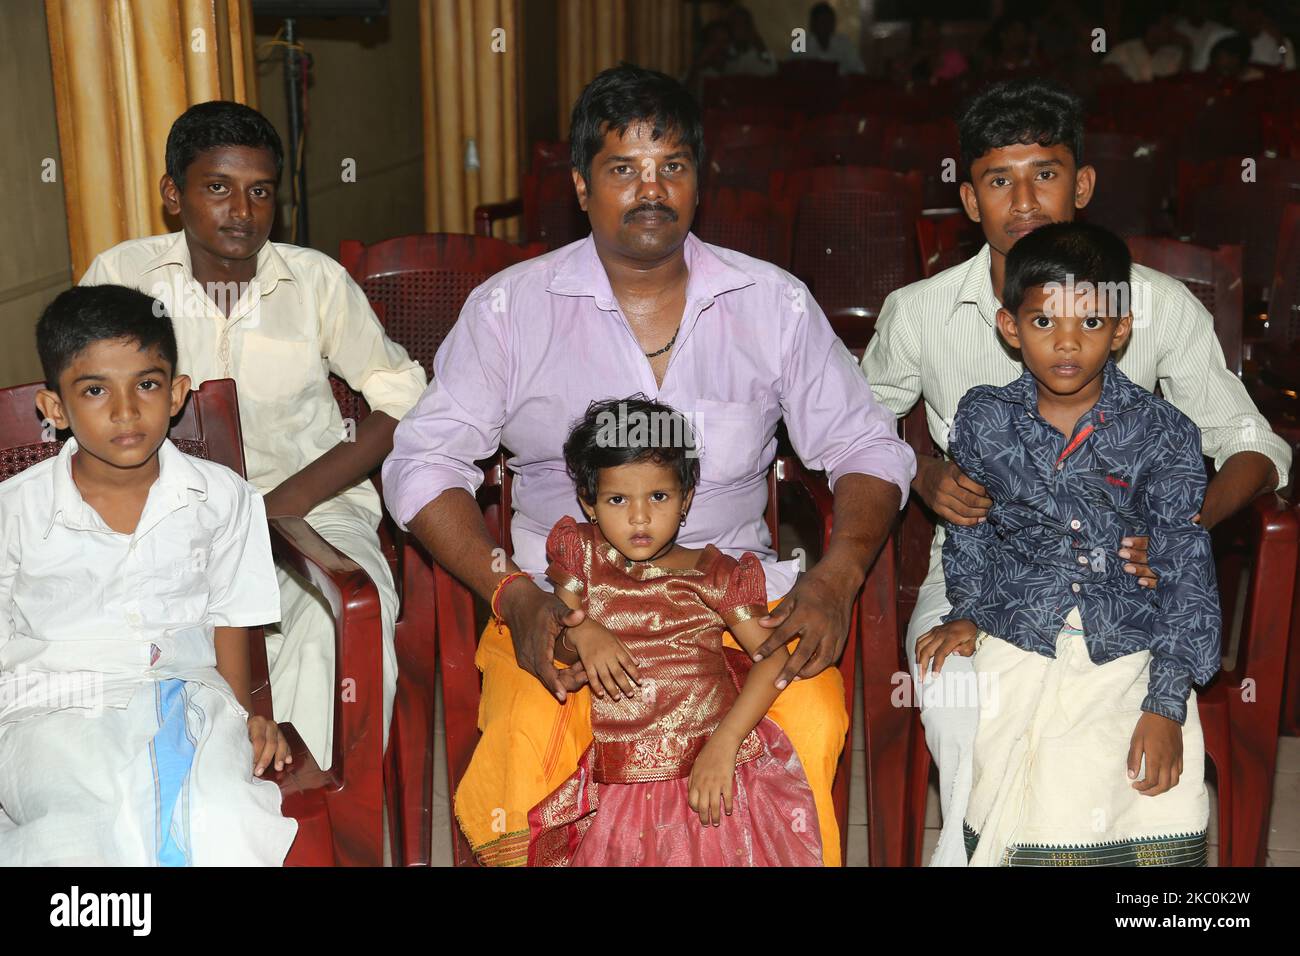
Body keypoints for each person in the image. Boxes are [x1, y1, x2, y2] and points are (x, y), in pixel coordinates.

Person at [383, 63, 914, 867]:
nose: (651, 189)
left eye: (673, 166)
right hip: (563, 616)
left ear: (701, 183)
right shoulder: (510, 310)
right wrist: (514, 597)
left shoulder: (770, 304)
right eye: (623, 169)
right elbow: (422, 463)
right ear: (581, 186)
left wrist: (836, 578)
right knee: (528, 757)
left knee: (807, 725)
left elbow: (867, 446)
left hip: (737, 613)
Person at [860, 77, 1291, 867]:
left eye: (1046, 174)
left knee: (1115, 725)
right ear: (968, 199)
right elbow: (851, 428)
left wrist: (1182, 527)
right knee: (963, 702)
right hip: (978, 574)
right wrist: (920, 469)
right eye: (999, 180)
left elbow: (1255, 445)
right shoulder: (919, 312)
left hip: (1132, 576)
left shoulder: (1153, 307)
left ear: (1082, 184)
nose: (1023, 199)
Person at [78, 101, 427, 770]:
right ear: (172, 195)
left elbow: (401, 397)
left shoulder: (315, 281)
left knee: (341, 621)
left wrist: (280, 504)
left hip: (312, 507)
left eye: (260, 191)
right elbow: (87, 406)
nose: (242, 210)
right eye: (218, 188)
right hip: (161, 518)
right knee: (131, 656)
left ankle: (311, 805)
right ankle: (203, 805)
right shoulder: (123, 278)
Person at [917, 223, 1219, 866]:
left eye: (1090, 325)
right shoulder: (985, 416)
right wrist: (966, 610)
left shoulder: (1163, 432)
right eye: (1044, 322)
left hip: (1130, 636)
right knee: (1017, 768)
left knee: (1133, 774)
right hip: (1018, 624)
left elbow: (1187, 566)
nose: (1066, 343)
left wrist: (1166, 703)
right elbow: (969, 527)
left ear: (1121, 330)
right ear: (1009, 326)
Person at [0, 285, 297, 865]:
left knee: (222, 818)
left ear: (178, 393)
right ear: (54, 409)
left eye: (147, 384)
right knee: (73, 834)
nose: (126, 411)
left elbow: (230, 623)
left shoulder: (223, 499)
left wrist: (242, 719)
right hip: (50, 707)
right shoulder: (15, 512)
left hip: (183, 695)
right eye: (94, 390)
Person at [527, 398, 821, 866]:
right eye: (617, 499)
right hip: (622, 779)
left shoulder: (716, 574)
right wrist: (581, 634)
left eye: (658, 497)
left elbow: (773, 658)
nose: (639, 518)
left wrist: (723, 746)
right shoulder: (581, 558)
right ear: (589, 503)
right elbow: (556, 646)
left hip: (712, 769)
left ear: (685, 499)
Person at [1101, 8, 1190, 84]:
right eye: (1166, 28)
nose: (1171, 33)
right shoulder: (1122, 51)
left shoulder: (1174, 55)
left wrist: (1187, 48)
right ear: (1152, 28)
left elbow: (1182, 85)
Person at [795, 2, 866, 75]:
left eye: (828, 21)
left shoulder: (844, 44)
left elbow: (859, 70)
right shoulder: (801, 44)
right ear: (813, 25)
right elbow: (791, 72)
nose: (825, 26)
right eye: (822, 22)